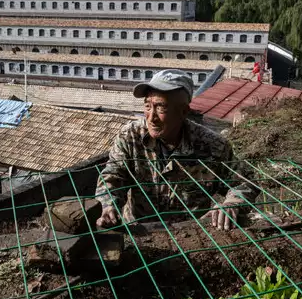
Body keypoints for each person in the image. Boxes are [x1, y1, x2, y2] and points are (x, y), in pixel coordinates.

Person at [95, 69, 255, 231]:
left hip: (191, 233)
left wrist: (231, 204)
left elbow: (244, 182)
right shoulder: (131, 136)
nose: (151, 117)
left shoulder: (213, 146)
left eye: (161, 108)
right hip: (139, 231)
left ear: (183, 112)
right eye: (148, 106)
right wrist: (108, 205)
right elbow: (113, 174)